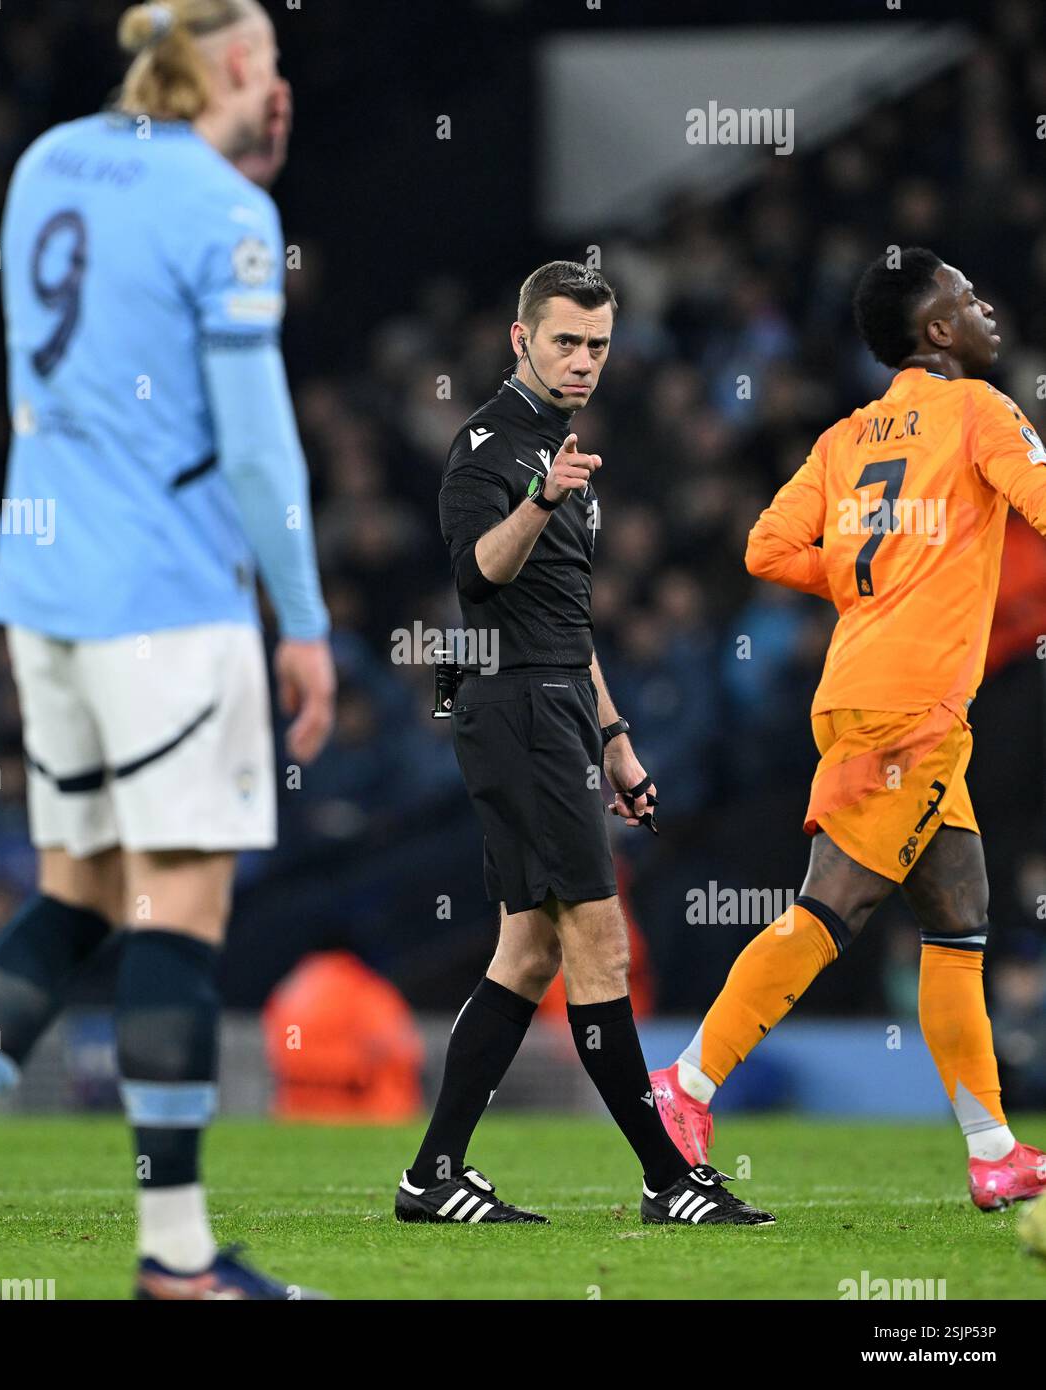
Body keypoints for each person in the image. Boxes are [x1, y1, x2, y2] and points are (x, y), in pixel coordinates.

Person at [0, 0, 336, 1300]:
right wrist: (300, 622)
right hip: (165, 599)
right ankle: (176, 1255)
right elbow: (252, 443)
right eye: (273, 60)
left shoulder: (47, 161)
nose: (281, 80)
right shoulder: (226, 214)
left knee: (77, 895)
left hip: (41, 589)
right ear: (240, 65)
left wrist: (227, 172)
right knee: (175, 909)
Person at [652, 248, 1046, 1214]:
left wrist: (875, 575)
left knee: (957, 921)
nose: (983, 305)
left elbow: (765, 547)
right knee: (831, 909)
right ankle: (686, 1084)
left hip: (862, 687)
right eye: (965, 295)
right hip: (911, 705)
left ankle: (992, 1151)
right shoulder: (979, 411)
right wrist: (920, 571)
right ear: (937, 331)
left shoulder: (846, 437)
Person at [394, 261, 773, 1228]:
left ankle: (432, 1175)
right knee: (597, 940)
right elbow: (479, 575)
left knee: (525, 953)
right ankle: (666, 1178)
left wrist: (614, 739)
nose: (583, 361)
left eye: (598, 345)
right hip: (511, 708)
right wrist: (542, 499)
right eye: (564, 340)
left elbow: (564, 620)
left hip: (553, 702)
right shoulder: (487, 447)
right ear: (520, 338)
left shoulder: (560, 449)